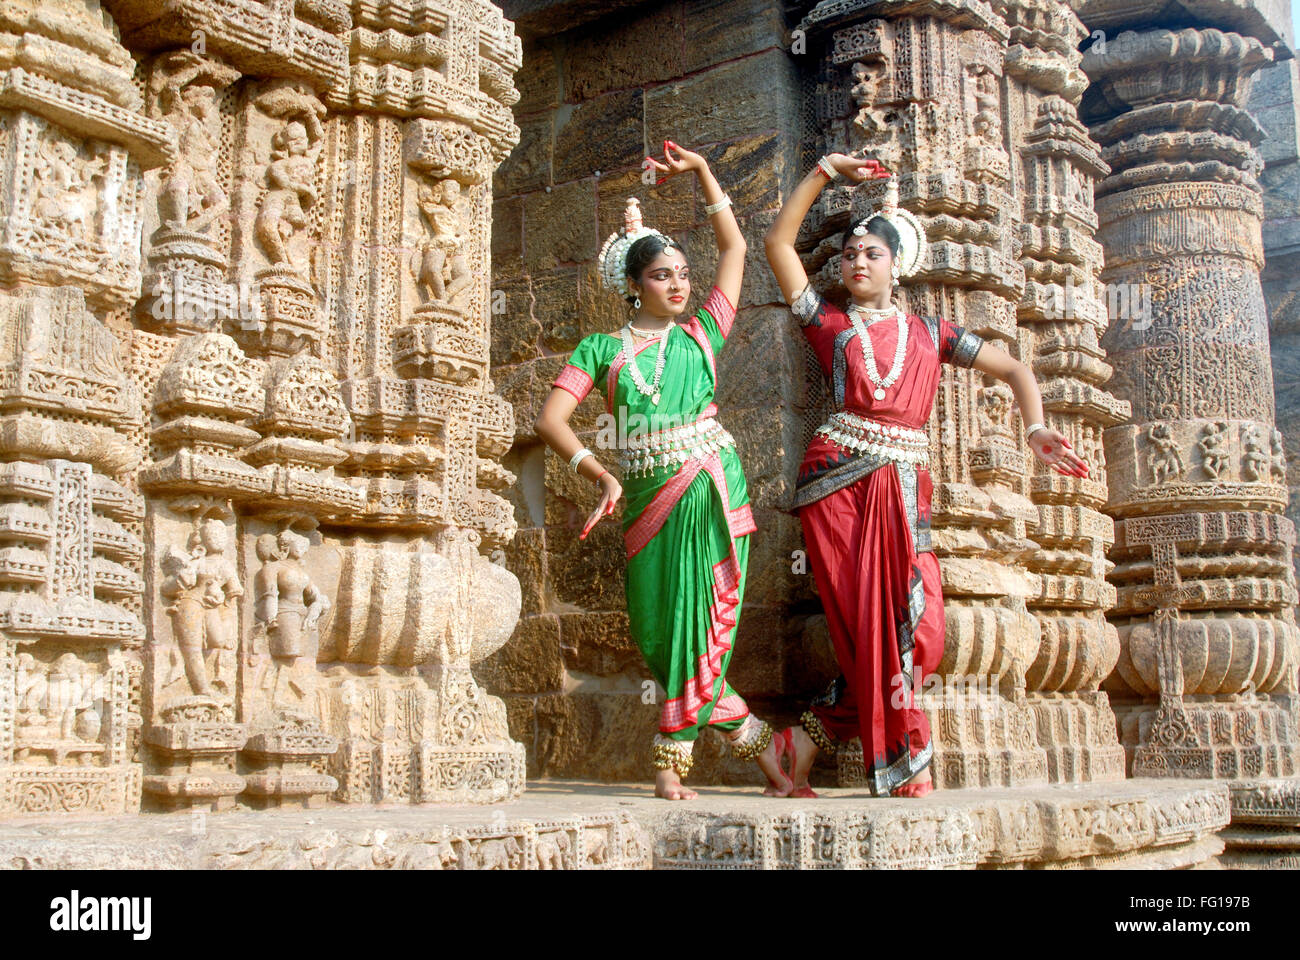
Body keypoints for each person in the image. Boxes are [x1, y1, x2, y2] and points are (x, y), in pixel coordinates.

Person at [763, 152, 1089, 798]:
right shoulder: (829, 328)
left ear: (897, 265)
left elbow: (1017, 370)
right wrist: (825, 170)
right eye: (850, 253)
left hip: (905, 488)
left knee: (921, 636)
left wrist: (1034, 428)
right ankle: (908, 765)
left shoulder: (932, 334)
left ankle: (794, 747)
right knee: (870, 634)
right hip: (837, 487)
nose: (857, 262)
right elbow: (776, 242)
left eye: (871, 254)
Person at [535, 141, 791, 800]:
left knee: (705, 628)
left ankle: (668, 758)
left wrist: (707, 175)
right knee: (659, 636)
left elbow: (734, 252)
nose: (679, 284)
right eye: (661, 275)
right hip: (646, 495)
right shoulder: (600, 350)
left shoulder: (702, 334)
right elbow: (551, 422)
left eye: (682, 272)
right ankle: (769, 757)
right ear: (631, 283)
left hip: (708, 486)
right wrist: (601, 473)